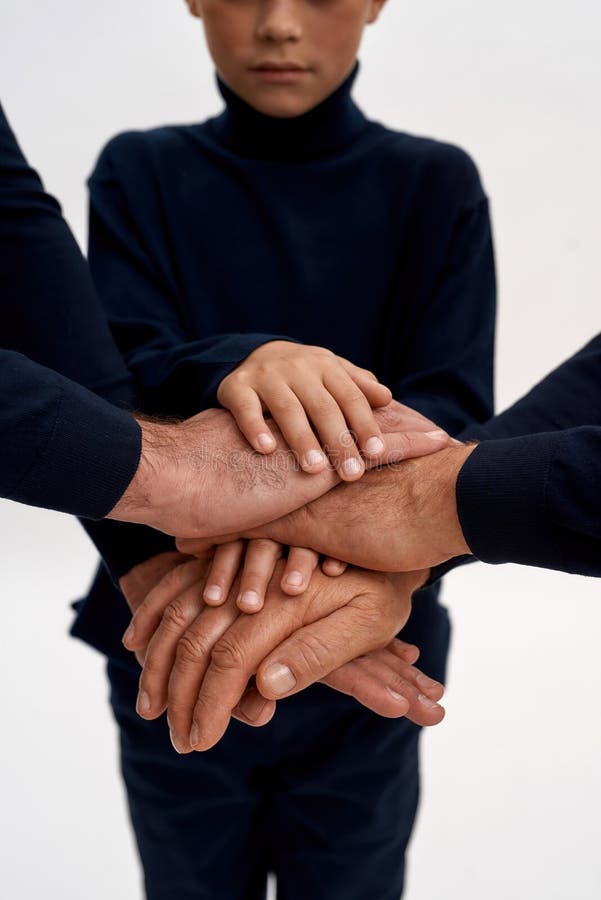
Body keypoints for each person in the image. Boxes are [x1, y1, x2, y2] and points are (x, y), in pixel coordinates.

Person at [81, 0, 496, 895]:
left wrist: (293, 541)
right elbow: (107, 377)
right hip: (169, 618)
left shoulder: (435, 184)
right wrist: (244, 361)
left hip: (375, 629)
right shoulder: (139, 169)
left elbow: (451, 416)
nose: (277, 24)